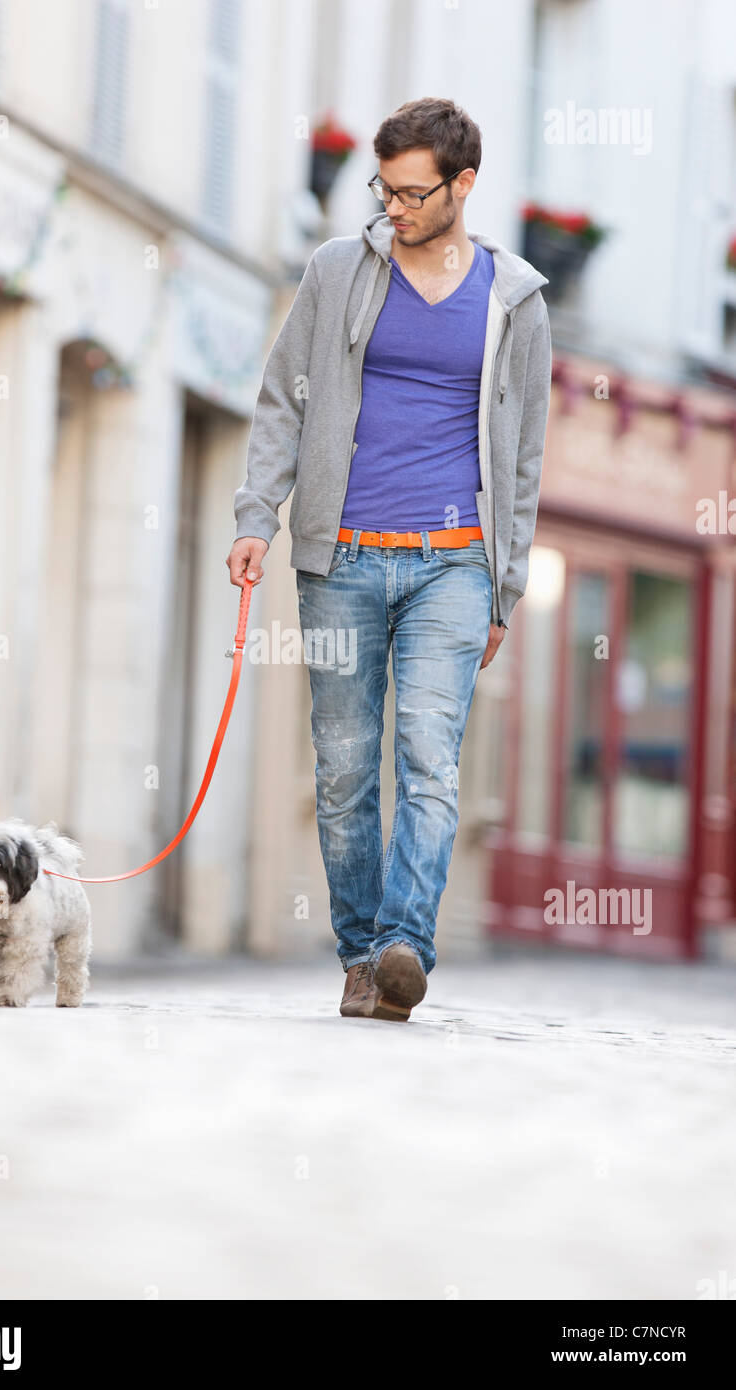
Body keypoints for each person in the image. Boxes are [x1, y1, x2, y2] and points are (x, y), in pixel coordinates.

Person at [227, 97, 552, 1021]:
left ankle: (405, 943)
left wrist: (506, 587)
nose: (395, 207)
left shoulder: (513, 301)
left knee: (428, 759)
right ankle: (361, 956)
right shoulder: (338, 271)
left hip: (455, 563)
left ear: (463, 186)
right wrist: (259, 515)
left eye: (414, 193)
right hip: (342, 560)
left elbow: (524, 458)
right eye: (385, 188)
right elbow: (282, 401)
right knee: (342, 767)